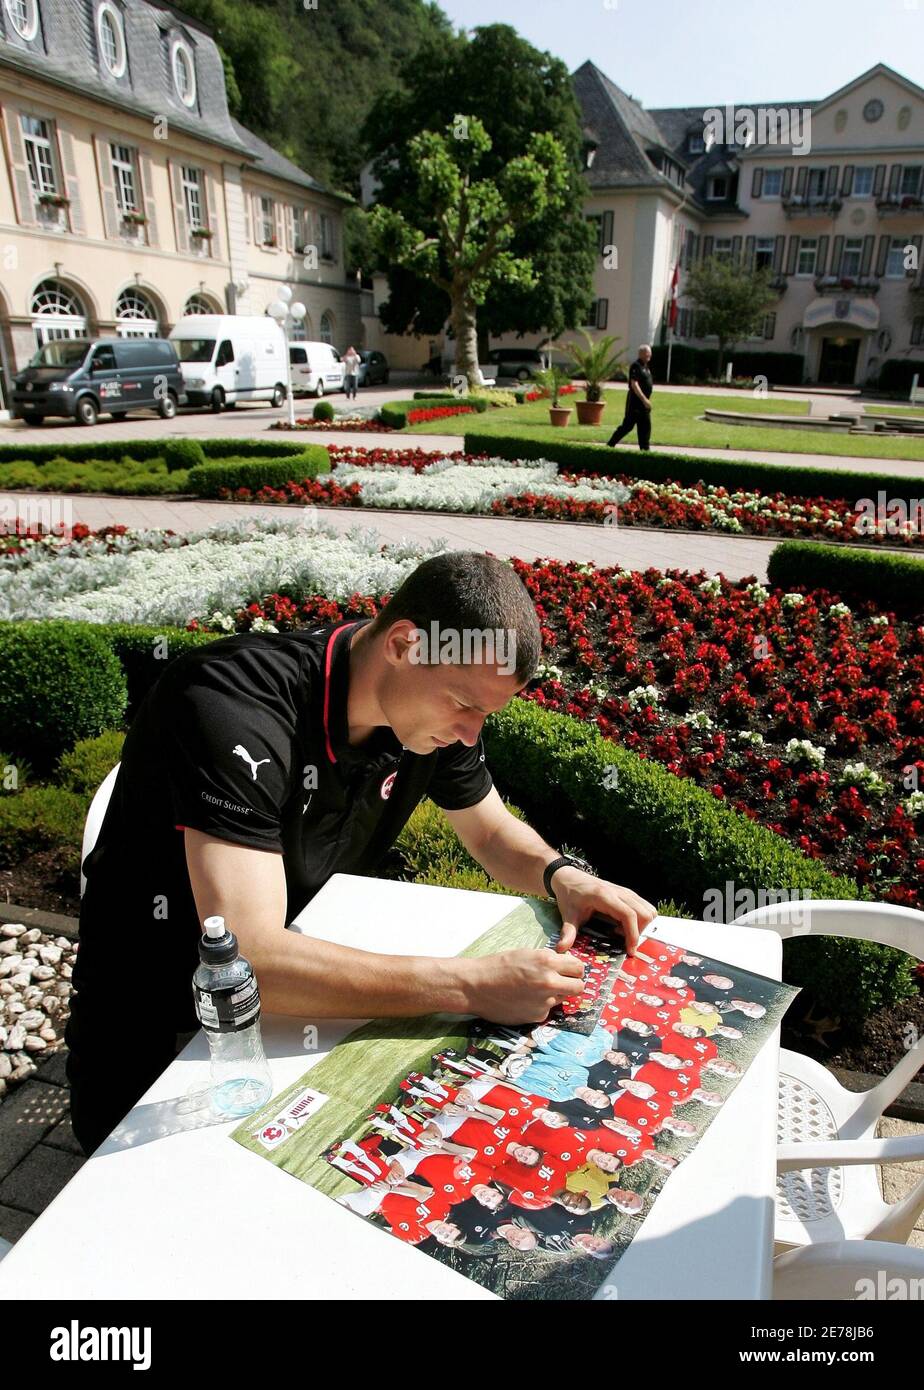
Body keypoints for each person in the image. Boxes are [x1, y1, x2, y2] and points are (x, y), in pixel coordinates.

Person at [66, 551, 656, 1156]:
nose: (472, 733)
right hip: (157, 1026)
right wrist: (469, 987)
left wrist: (563, 877)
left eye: (486, 713)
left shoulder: (421, 710)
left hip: (301, 1001)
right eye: (465, 705)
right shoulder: (230, 700)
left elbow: (490, 832)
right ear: (403, 644)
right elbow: (251, 962)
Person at [606, 344, 654, 451]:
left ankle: (645, 452)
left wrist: (647, 401)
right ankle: (610, 445)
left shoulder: (646, 367)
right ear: (641, 353)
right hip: (635, 404)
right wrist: (644, 399)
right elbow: (634, 384)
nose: (649, 355)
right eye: (647, 353)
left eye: (650, 353)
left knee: (645, 428)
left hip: (644, 405)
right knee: (627, 426)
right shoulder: (636, 366)